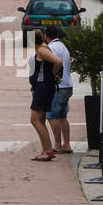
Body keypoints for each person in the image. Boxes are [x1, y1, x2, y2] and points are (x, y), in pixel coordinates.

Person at [28, 29, 64, 161]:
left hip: (43, 87)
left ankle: (48, 150)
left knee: (34, 119)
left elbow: (58, 62)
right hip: (42, 87)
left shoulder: (43, 50)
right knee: (41, 120)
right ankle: (45, 150)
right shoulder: (42, 48)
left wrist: (52, 75)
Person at [44, 26, 74, 154]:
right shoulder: (62, 46)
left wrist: (51, 75)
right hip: (67, 85)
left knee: (52, 117)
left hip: (58, 87)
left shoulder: (51, 48)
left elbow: (56, 63)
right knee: (62, 116)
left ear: (46, 36)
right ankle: (66, 144)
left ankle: (57, 144)